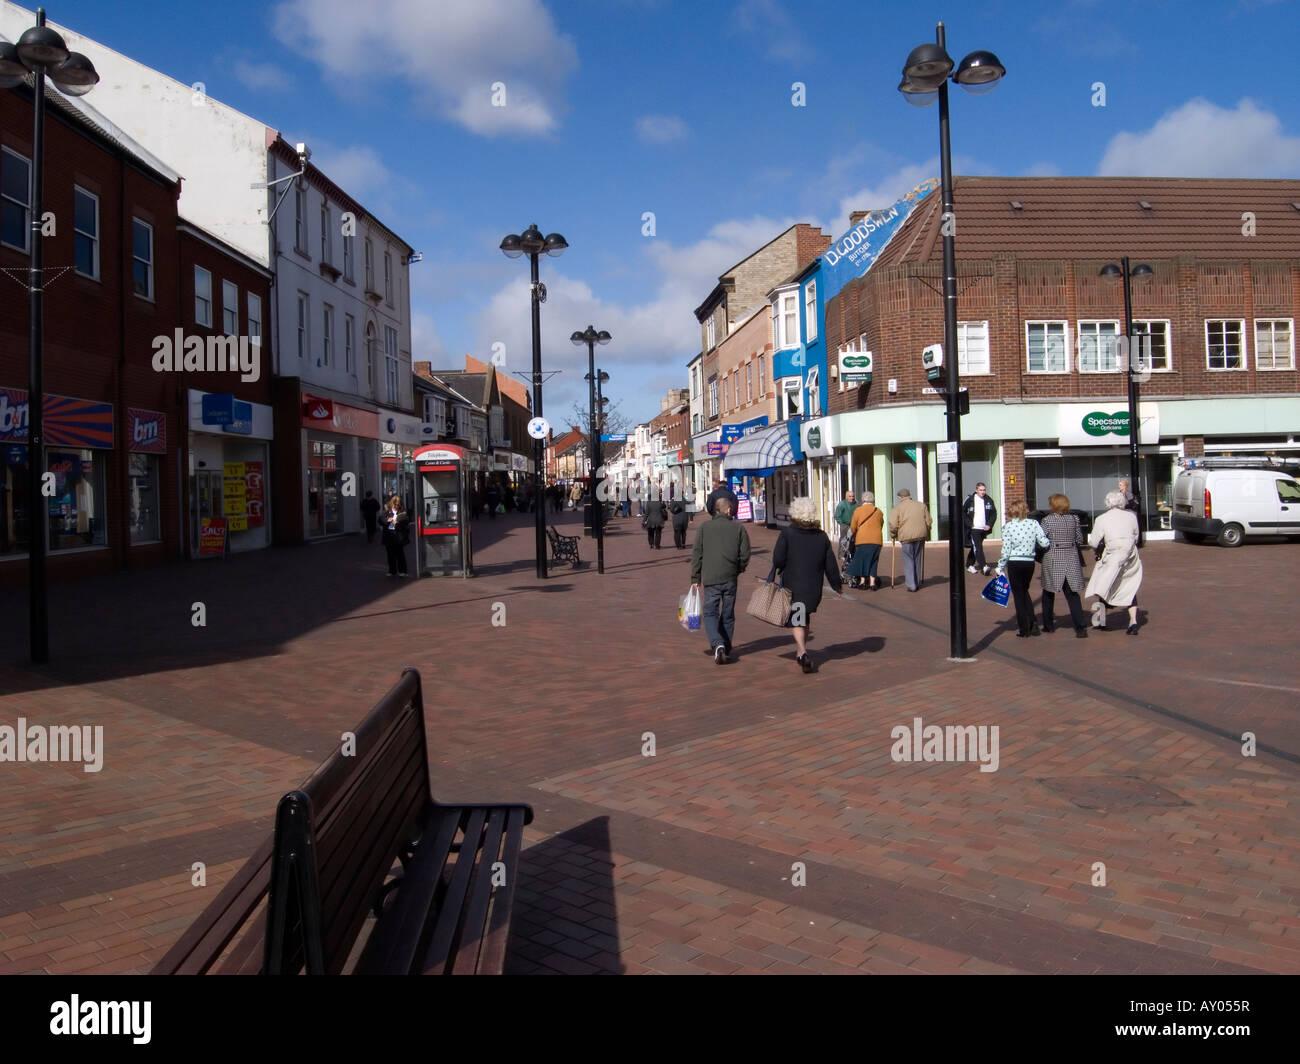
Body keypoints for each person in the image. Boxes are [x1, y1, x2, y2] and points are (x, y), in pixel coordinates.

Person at [772, 496, 843, 673]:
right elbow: (830, 563)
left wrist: (782, 566)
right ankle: (800, 650)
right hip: (813, 586)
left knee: (798, 618)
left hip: (793, 584)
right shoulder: (821, 536)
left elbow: (778, 559)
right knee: (804, 616)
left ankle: (803, 651)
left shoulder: (788, 533)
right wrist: (836, 584)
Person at [690, 496, 751, 665]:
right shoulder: (738, 529)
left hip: (711, 577)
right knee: (728, 614)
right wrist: (738, 568)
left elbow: (697, 554)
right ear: (729, 510)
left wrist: (695, 577)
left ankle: (718, 644)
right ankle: (725, 646)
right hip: (730, 577)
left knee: (710, 612)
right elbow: (745, 554)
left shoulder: (704, 527)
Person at [1087, 490, 1144, 634]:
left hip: (1113, 554)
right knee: (1129, 585)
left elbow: (1094, 542)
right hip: (1130, 555)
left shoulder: (1101, 519)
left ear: (1107, 503)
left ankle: (1100, 620)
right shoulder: (1131, 516)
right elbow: (1136, 536)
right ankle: (1133, 621)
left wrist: (1097, 546)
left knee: (1101, 583)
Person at [996, 500, 1049, 637]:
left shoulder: (1008, 527)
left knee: (1019, 595)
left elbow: (1006, 549)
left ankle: (1024, 628)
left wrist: (1000, 566)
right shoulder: (1033, 524)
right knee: (1024, 591)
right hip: (1029, 562)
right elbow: (1044, 542)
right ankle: (1033, 623)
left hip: (1014, 562)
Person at [1039, 493, 1089, 638]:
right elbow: (1079, 539)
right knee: (1073, 594)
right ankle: (1080, 627)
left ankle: (1048, 625)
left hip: (1053, 556)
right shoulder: (1074, 518)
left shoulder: (1047, 520)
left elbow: (1042, 539)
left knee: (1048, 593)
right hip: (1071, 556)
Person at [888, 488, 931, 592]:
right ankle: (917, 581)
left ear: (900, 497)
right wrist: (927, 532)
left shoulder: (897, 508)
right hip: (920, 535)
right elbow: (928, 521)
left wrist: (893, 534)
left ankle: (912, 585)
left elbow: (893, 524)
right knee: (917, 558)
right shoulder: (921, 505)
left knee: (908, 560)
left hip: (906, 537)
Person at [846, 491, 885, 590]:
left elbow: (853, 526)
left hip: (862, 540)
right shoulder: (878, 511)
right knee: (874, 561)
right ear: (873, 500)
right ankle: (872, 583)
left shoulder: (858, 510)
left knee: (862, 560)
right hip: (876, 540)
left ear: (863, 500)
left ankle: (863, 582)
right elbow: (881, 524)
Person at [963, 482, 997, 575]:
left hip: (983, 528)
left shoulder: (988, 500)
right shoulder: (970, 499)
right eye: (980, 490)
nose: (982, 492)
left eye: (984, 490)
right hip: (974, 529)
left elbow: (994, 514)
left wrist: (989, 524)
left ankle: (969, 565)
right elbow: (963, 513)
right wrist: (970, 524)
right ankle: (984, 566)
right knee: (978, 547)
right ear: (976, 490)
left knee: (975, 547)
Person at [382, 494, 410, 577]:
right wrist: (387, 520)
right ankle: (392, 571)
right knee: (390, 555)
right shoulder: (387, 512)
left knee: (400, 554)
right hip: (389, 536)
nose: (396, 506)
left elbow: (405, 521)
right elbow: (381, 519)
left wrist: (397, 523)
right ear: (391, 504)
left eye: (398, 505)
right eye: (395, 505)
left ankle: (403, 571)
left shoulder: (403, 513)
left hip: (398, 536)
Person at [833, 489, 857, 570]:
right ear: (846, 497)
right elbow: (837, 515)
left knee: (853, 539)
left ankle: (852, 553)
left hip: (853, 525)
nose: (852, 498)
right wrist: (841, 523)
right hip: (845, 524)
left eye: (853, 496)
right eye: (850, 496)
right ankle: (841, 554)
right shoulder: (842, 504)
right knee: (843, 539)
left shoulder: (856, 504)